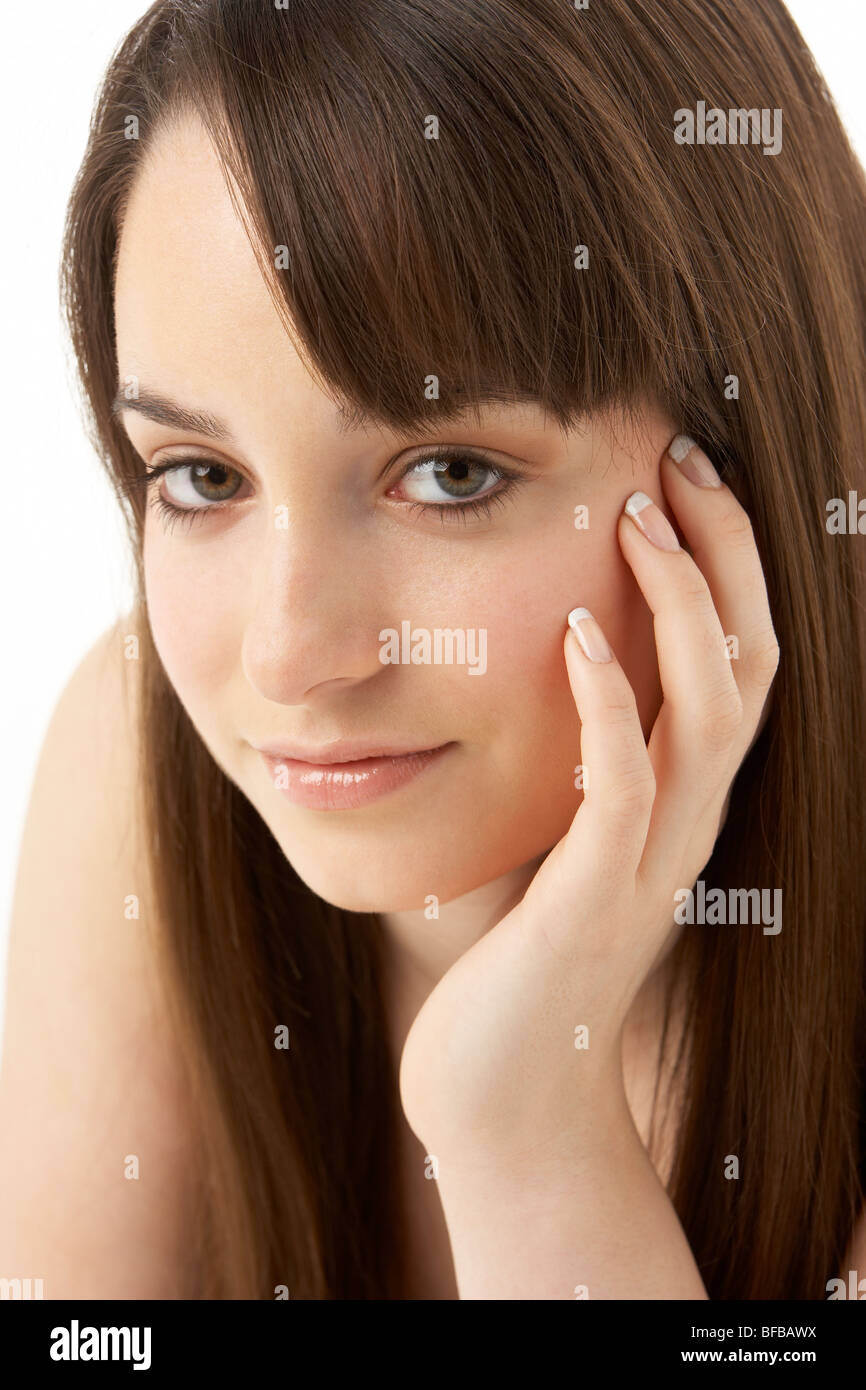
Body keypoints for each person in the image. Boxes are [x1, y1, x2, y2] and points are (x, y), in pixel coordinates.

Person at [1, 0, 865, 1299]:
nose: (290, 656)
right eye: (199, 475)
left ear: (731, 475)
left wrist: (521, 1120)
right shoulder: (130, 763)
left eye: (450, 472)